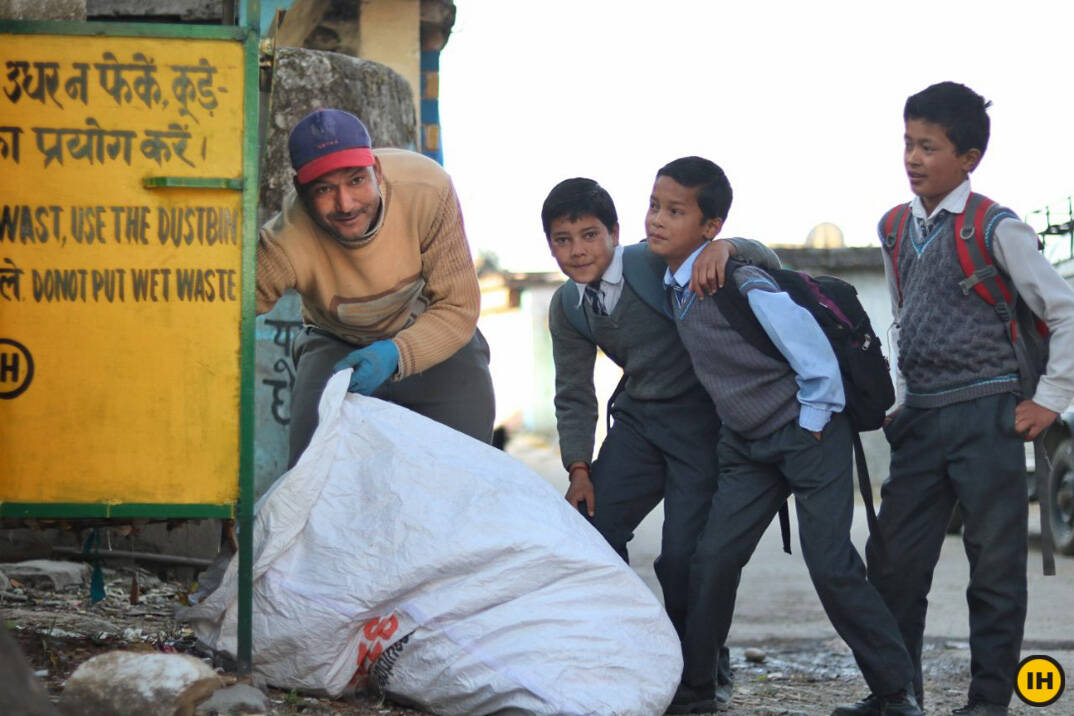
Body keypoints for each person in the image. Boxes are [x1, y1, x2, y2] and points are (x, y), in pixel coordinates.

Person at [647, 156, 920, 715]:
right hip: (746, 447)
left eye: (675, 211)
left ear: (710, 228)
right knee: (713, 560)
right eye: (654, 206)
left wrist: (812, 424)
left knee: (830, 564)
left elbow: (815, 358)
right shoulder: (671, 282)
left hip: (807, 436)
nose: (657, 220)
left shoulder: (740, 280)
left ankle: (896, 693)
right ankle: (699, 687)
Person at [863, 82, 1074, 716]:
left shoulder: (996, 226)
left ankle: (987, 703)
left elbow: (1064, 312)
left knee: (995, 569)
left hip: (990, 414)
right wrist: (904, 398)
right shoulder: (895, 227)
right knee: (893, 565)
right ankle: (897, 696)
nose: (913, 158)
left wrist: (1050, 400)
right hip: (923, 417)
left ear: (970, 157)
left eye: (929, 146)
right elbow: (905, 318)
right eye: (908, 143)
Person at [542, 177, 780, 707]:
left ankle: (699, 667)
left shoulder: (653, 262)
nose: (578, 250)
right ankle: (633, 648)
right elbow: (573, 392)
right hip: (638, 424)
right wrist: (578, 467)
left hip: (701, 423)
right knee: (591, 530)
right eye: (562, 239)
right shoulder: (568, 307)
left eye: (589, 235)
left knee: (682, 558)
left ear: (615, 233)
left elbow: (769, 261)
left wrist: (728, 246)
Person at [256, 109, 495, 466]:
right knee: (311, 475)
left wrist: (395, 355)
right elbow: (226, 309)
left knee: (468, 468)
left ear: (377, 171)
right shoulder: (286, 239)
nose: (345, 204)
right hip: (335, 343)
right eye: (324, 189)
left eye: (356, 180)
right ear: (302, 193)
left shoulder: (428, 190)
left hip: (427, 327)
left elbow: (458, 306)